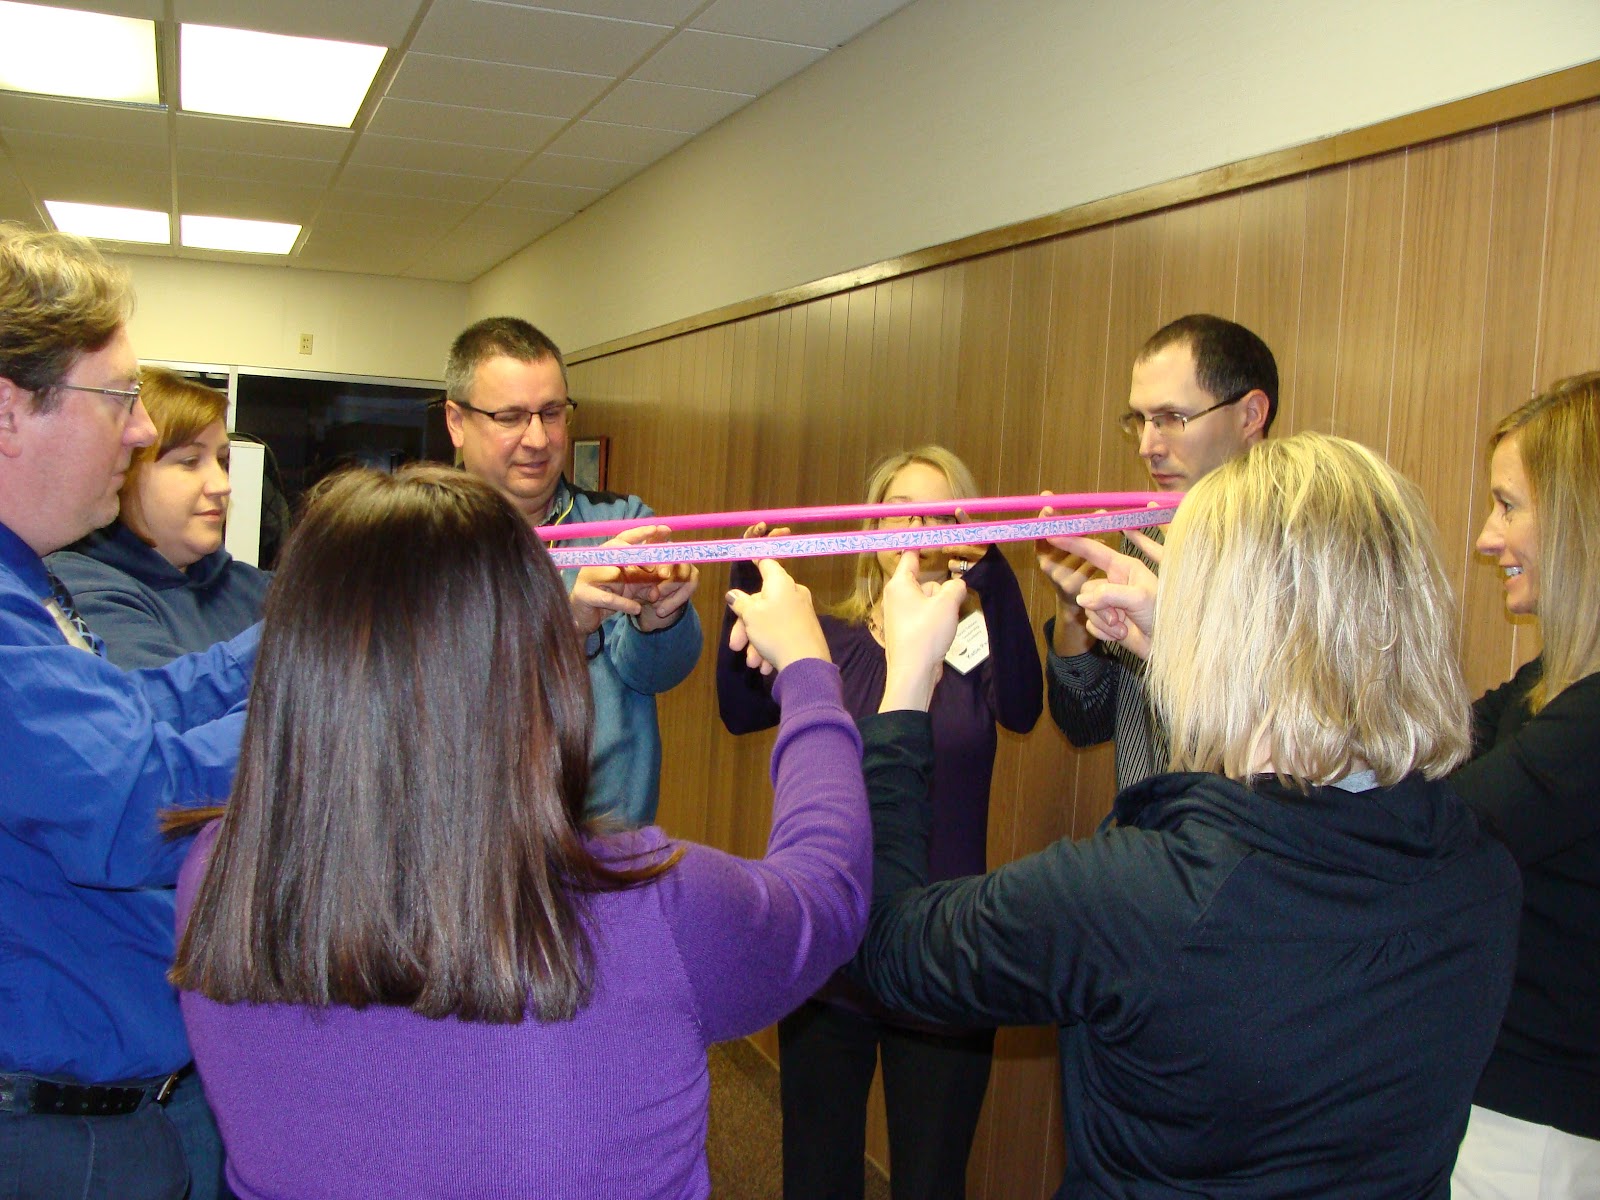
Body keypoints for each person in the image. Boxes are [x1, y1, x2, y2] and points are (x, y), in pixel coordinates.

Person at [170, 464, 962, 1199]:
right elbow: (825, 897)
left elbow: (418, 716)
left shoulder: (221, 878)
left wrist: (554, 623)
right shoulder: (638, 904)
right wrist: (811, 675)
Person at [856, 432, 1522, 1198]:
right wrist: (1194, 650)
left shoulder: (1143, 896)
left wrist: (906, 683)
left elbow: (884, 943)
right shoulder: (1478, 870)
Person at [0, 223, 256, 1200]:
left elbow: (137, 712)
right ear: (10, 411)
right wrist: (349, 684)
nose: (142, 429)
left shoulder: (29, 593)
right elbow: (145, 802)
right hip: (50, 1142)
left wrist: (314, 631)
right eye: (118, 400)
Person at [718, 445, 1043, 1199]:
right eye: (902, 511)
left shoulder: (975, 641)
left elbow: (1025, 704)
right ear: (869, 527)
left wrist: (994, 578)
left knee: (930, 1180)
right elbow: (739, 711)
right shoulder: (824, 642)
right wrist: (745, 582)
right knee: (818, 1173)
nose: (918, 528)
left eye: (939, 513)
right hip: (830, 945)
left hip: (944, 951)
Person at [442, 316, 701, 826]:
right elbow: (441, 688)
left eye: (552, 413)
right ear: (456, 421)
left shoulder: (620, 522)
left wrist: (662, 617)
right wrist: (565, 622)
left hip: (610, 854)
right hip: (471, 856)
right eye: (511, 416)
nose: (537, 439)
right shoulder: (418, 543)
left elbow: (661, 673)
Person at [1449, 373, 1600, 1197]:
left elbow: (1435, 826)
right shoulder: (1550, 686)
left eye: (1509, 506)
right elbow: (1424, 749)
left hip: (1539, 1137)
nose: (1485, 536)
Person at [1038, 313, 1275, 790]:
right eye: (1140, 421)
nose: (1147, 446)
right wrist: (1071, 612)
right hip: (1147, 842)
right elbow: (1084, 724)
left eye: (1172, 419)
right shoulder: (1147, 534)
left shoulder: (1308, 552)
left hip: (1251, 847)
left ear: (1250, 415)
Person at [49, 366, 269, 669]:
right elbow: (167, 706)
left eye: (221, 461)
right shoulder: (85, 591)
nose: (222, 485)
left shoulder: (246, 585)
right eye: (190, 462)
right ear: (125, 471)